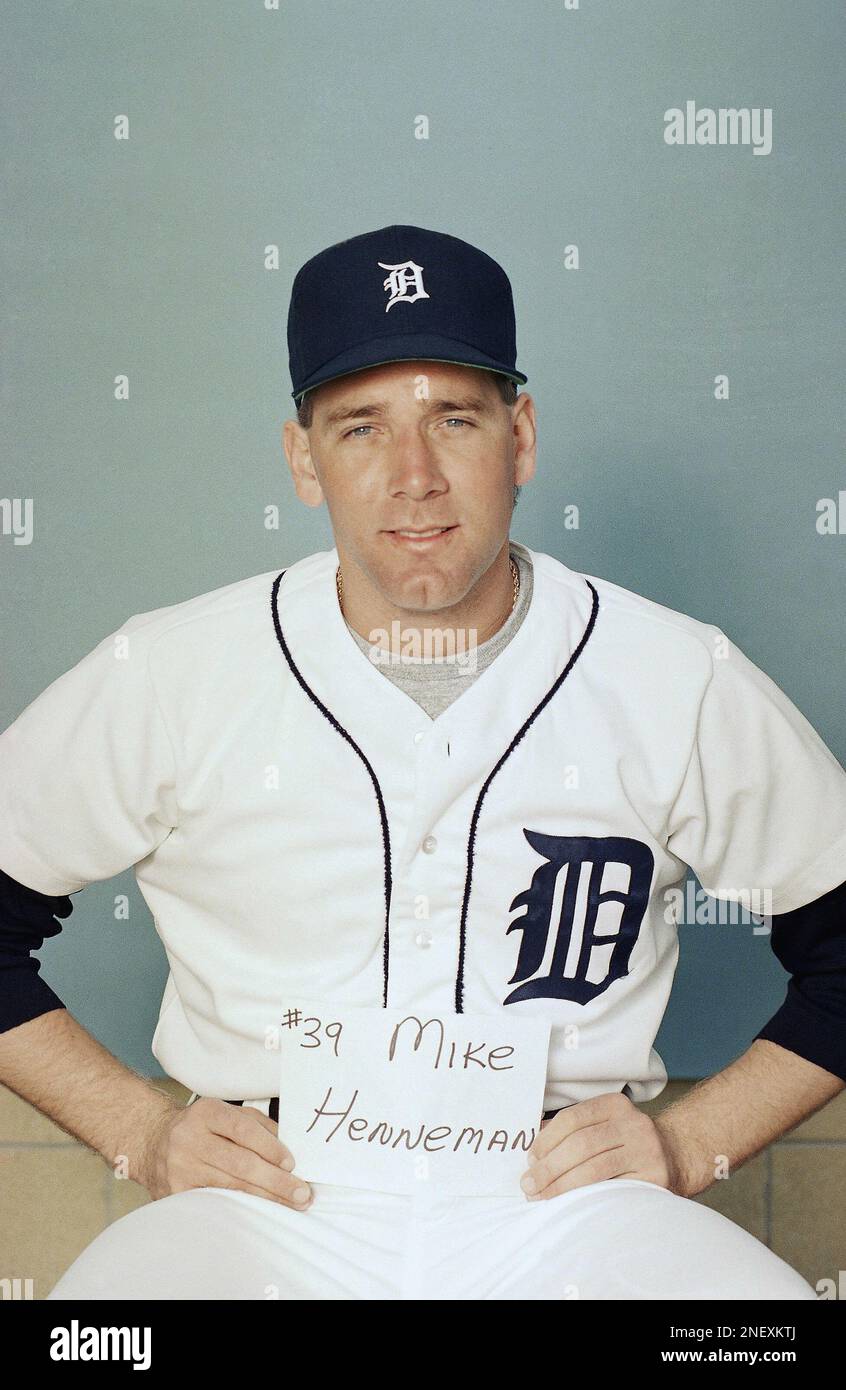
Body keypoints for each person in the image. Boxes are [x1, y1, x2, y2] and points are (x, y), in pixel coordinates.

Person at [1, 224, 843, 1300]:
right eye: (361, 428)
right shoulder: (170, 669)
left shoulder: (675, 675)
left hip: (565, 1203)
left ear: (522, 436)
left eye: (454, 418)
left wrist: (690, 1144)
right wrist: (140, 1131)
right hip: (263, 1202)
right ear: (304, 458)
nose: (415, 476)